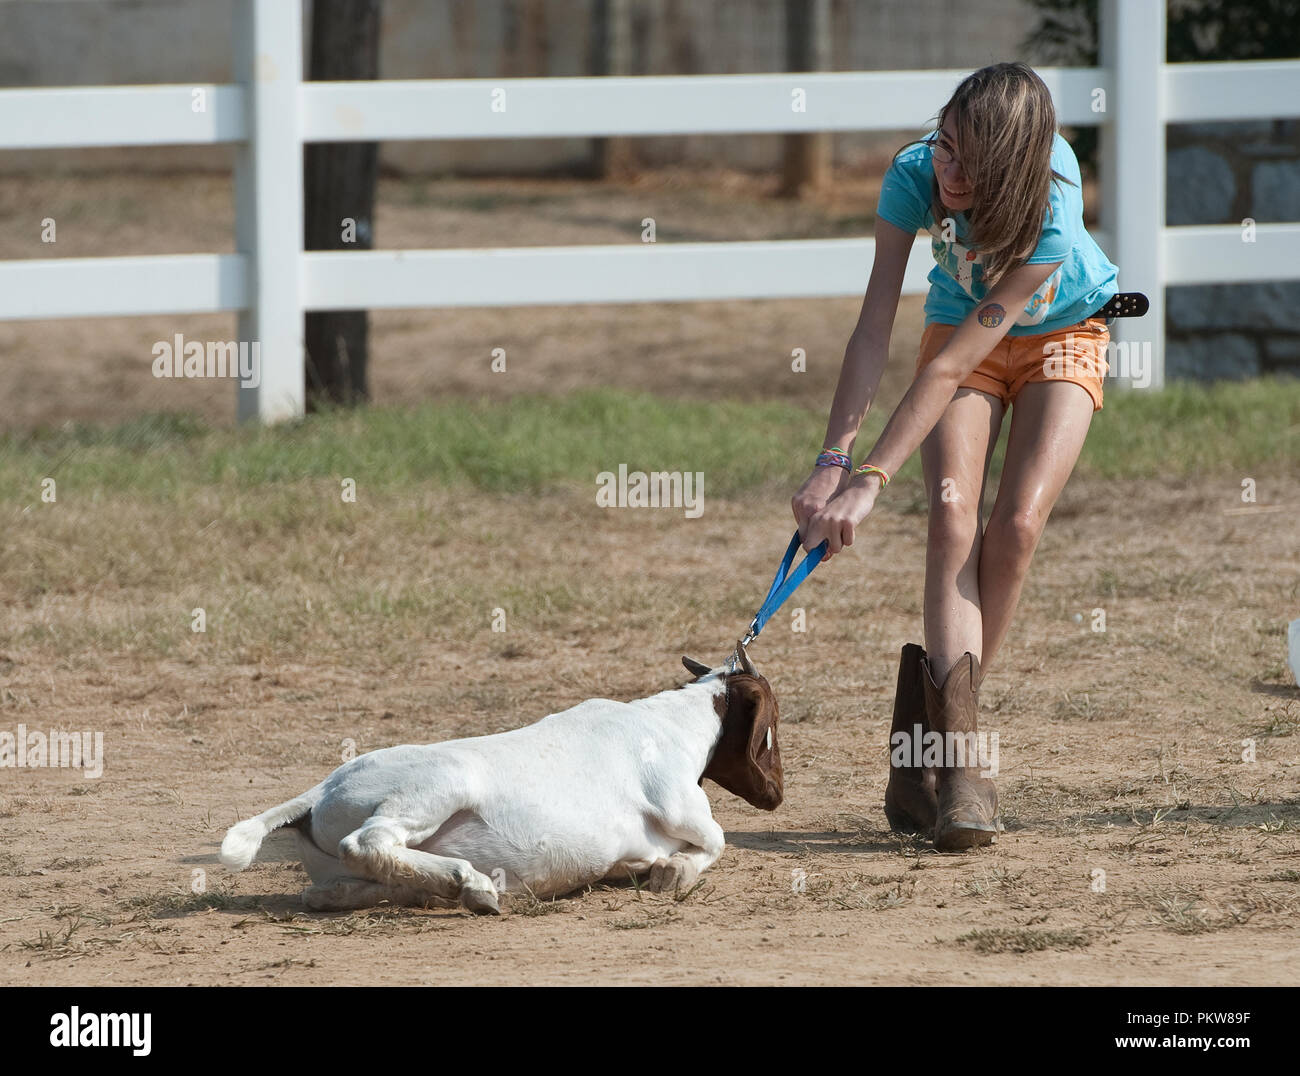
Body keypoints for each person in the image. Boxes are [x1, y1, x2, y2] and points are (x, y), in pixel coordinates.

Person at [791, 62, 1118, 852]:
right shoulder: (915, 172)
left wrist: (872, 480)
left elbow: (939, 375)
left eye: (970, 162)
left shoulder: (1052, 216)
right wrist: (834, 459)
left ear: (1013, 169)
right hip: (958, 333)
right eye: (945, 145)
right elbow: (875, 325)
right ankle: (962, 766)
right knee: (950, 515)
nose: (949, 169)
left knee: (1016, 525)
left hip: (1064, 334)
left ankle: (929, 744)